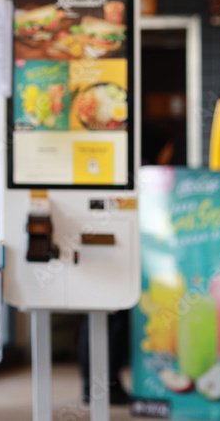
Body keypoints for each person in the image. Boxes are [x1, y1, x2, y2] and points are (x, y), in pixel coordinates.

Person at [79, 125, 176, 404]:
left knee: (95, 319)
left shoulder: (117, 165)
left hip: (98, 253)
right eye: (167, 150)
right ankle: (105, 386)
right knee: (115, 322)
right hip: (122, 256)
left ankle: (93, 385)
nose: (168, 157)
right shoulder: (147, 175)